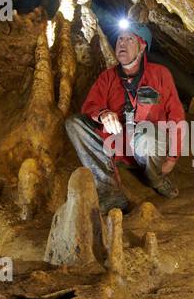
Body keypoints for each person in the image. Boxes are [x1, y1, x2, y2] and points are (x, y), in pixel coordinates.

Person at [65, 19, 185, 213]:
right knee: (74, 123)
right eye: (120, 38)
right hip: (119, 144)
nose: (121, 43)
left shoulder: (160, 74)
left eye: (129, 39)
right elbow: (91, 105)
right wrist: (103, 114)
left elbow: (176, 116)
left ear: (142, 46)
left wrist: (172, 157)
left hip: (148, 145)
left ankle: (156, 178)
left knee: (146, 134)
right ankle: (109, 190)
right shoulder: (108, 77)